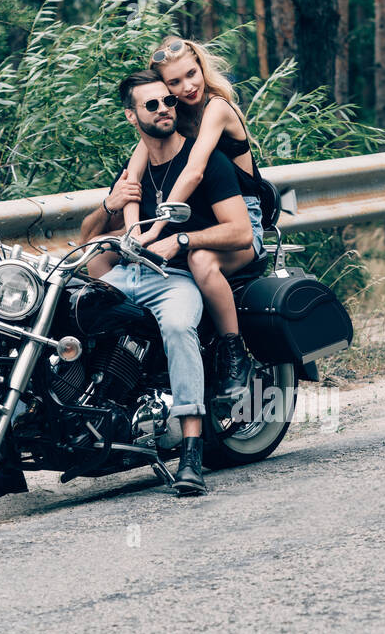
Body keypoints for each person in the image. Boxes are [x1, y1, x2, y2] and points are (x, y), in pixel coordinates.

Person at [79, 69, 258, 495]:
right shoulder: (134, 168)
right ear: (131, 116)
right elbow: (88, 239)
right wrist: (107, 204)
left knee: (179, 326)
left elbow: (240, 231)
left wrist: (181, 240)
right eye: (153, 104)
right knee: (63, 308)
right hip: (130, 272)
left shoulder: (207, 161)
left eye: (169, 101)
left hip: (177, 278)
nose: (164, 109)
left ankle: (192, 453)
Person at [118, 36, 262, 400]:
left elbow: (195, 171)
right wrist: (134, 232)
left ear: (202, 67)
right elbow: (131, 178)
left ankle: (234, 353)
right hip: (197, 218)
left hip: (242, 220)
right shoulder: (171, 113)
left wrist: (157, 228)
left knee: (200, 259)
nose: (187, 87)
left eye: (191, 75)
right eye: (175, 83)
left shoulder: (217, 108)